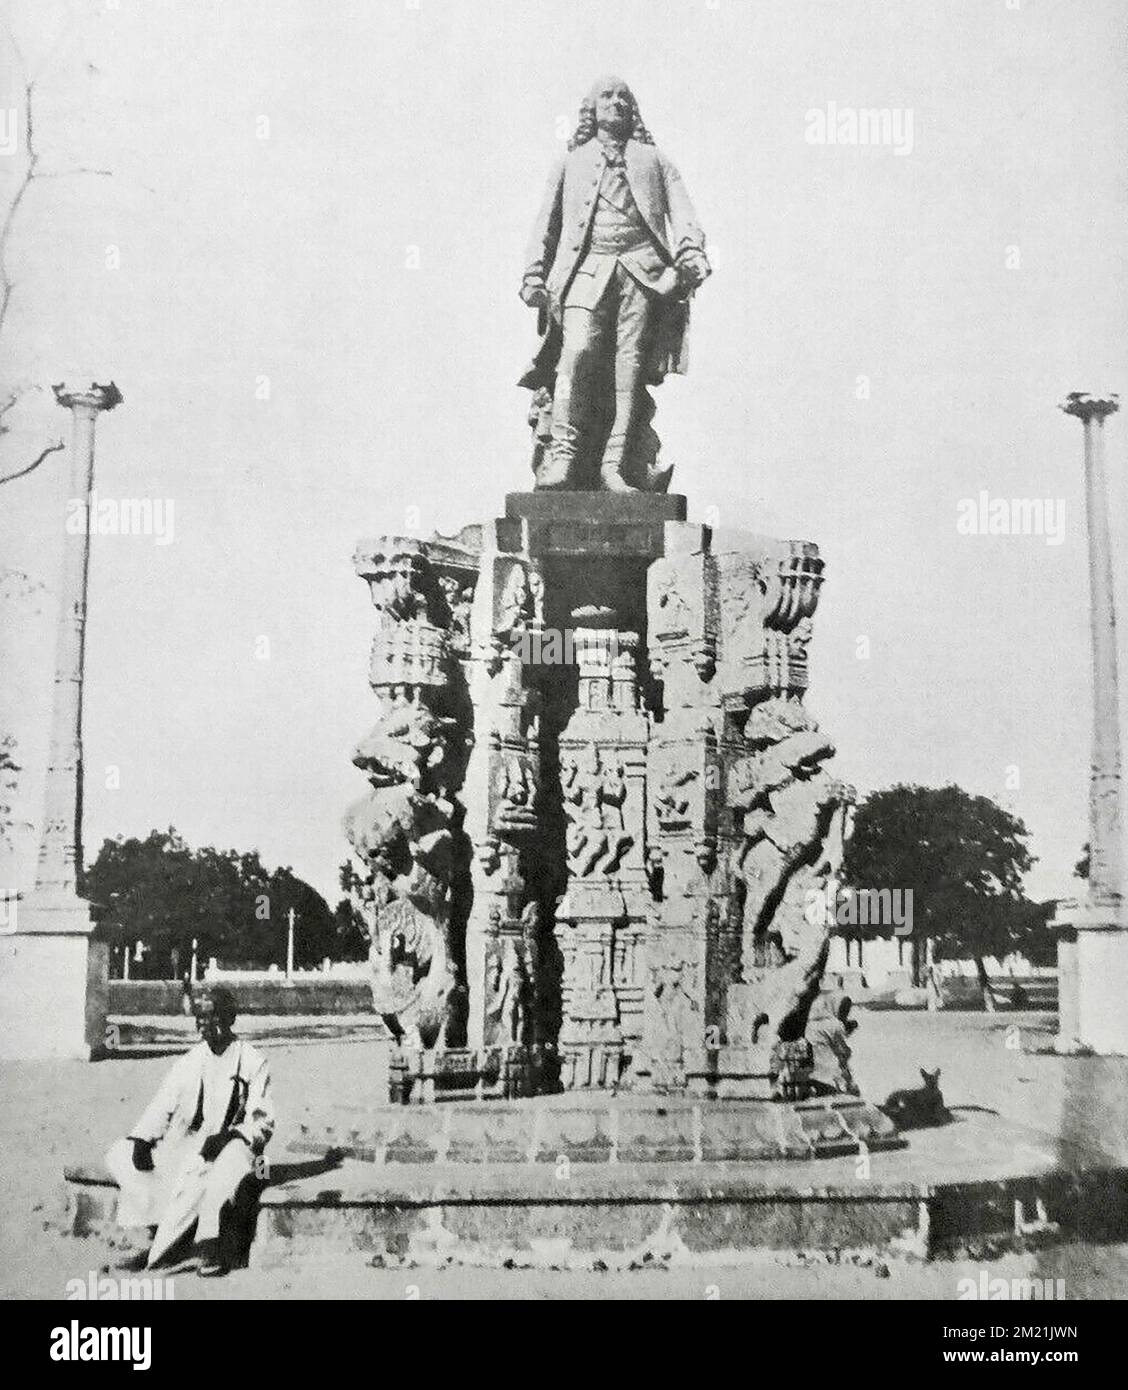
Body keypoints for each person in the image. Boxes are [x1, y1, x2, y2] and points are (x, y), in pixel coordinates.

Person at [520, 76, 710, 491]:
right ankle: (562, 456)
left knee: (630, 370)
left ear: (634, 110)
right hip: (584, 273)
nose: (617, 102)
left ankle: (615, 465)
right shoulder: (569, 164)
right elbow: (545, 225)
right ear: (590, 108)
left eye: (625, 96)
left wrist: (691, 253)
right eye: (607, 95)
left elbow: (684, 214)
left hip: (642, 273)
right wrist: (534, 273)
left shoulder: (656, 161)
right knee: (576, 353)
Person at [104, 985, 274, 1276]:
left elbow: (263, 1122)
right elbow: (163, 1105)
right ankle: (150, 1234)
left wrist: (229, 1137)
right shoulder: (191, 1061)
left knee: (218, 1172)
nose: (204, 1024)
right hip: (191, 1142)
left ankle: (208, 1245)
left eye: (212, 1016)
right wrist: (144, 1139)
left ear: (229, 1018)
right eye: (200, 1017)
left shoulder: (252, 1061)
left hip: (237, 1147)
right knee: (121, 1154)